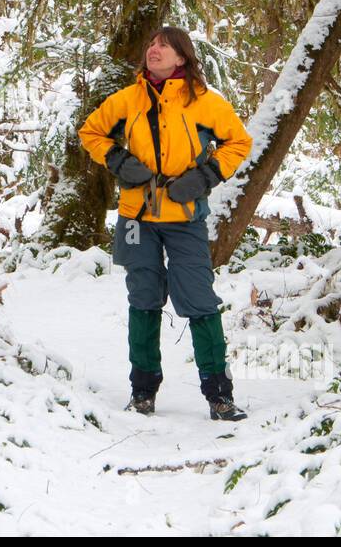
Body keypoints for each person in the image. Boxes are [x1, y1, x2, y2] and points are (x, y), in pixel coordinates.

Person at [78, 27, 253, 420]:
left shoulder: (205, 102)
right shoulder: (128, 99)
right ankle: (142, 392)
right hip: (136, 217)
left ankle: (219, 396)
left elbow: (239, 142)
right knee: (143, 298)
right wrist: (120, 162)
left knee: (200, 300)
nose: (153, 49)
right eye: (151, 43)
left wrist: (205, 177)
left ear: (182, 58)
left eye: (164, 45)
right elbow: (91, 132)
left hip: (185, 217)